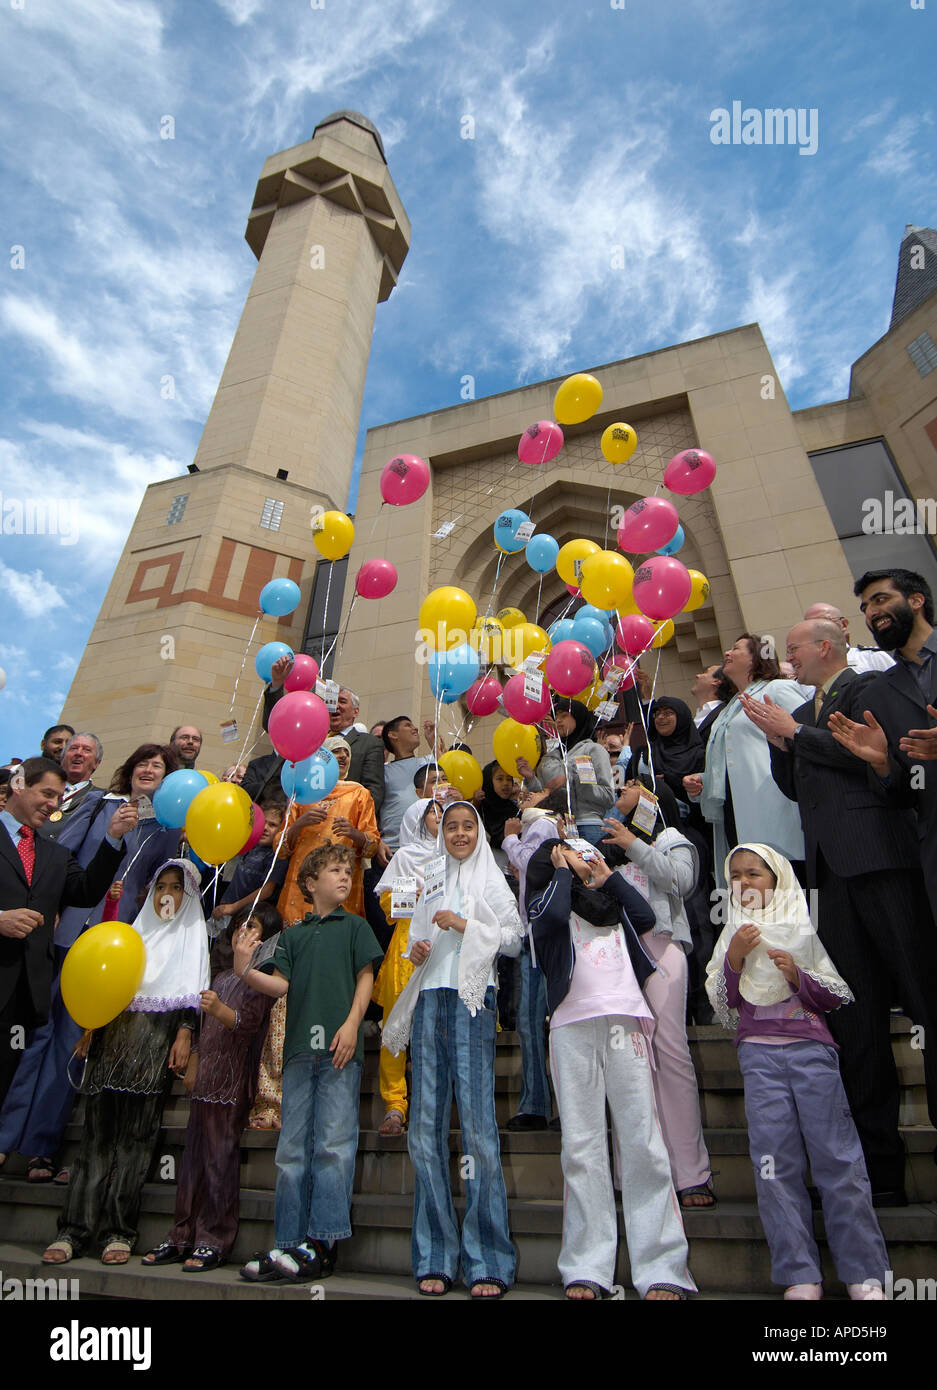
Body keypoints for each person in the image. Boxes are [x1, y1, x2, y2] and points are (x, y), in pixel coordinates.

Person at [742, 616, 937, 1201]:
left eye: (796, 648)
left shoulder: (868, 689)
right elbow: (797, 786)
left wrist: (795, 735)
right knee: (856, 1019)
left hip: (881, 864)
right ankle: (881, 1171)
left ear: (825, 646)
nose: (790, 659)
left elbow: (875, 762)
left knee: (924, 997)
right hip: (830, 877)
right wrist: (781, 740)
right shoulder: (799, 717)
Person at [706, 844, 887, 1301]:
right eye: (736, 876)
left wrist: (797, 977)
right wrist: (734, 959)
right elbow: (725, 1002)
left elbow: (833, 995)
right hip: (759, 1056)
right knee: (772, 1163)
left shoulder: (803, 926)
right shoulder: (732, 932)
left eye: (754, 874)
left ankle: (865, 1272)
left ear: (778, 879)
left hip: (811, 1052)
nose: (744, 884)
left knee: (839, 1160)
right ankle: (798, 1274)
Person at [526, 837, 695, 1300]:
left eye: (590, 850)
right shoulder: (546, 902)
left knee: (642, 1140)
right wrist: (561, 870)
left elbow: (646, 916)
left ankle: (662, 1265)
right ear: (559, 858)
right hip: (572, 1026)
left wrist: (610, 878)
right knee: (582, 1147)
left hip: (626, 1020)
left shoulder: (613, 903)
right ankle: (587, 1266)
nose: (587, 857)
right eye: (574, 850)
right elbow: (554, 920)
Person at [382, 802, 523, 1297]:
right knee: (424, 1130)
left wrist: (466, 926)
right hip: (427, 1001)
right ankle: (435, 1255)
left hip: (470, 1002)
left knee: (479, 1129)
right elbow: (416, 939)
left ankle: (489, 1258)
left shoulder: (490, 877)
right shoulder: (431, 878)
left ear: (478, 833)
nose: (459, 834)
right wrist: (416, 949)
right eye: (451, 827)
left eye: (467, 826)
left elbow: (513, 939)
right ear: (440, 834)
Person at [42, 859, 210, 1265]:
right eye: (160, 886)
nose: (166, 894)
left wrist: (186, 1033)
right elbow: (108, 981)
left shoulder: (192, 935)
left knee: (136, 1142)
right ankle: (73, 1230)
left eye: (175, 887)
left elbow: (193, 987)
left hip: (153, 1047)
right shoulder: (135, 935)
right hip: (110, 1044)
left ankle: (120, 1231)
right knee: (96, 1141)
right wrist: (90, 1027)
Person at [234, 843, 382, 1283]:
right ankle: (288, 1242)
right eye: (335, 871)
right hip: (300, 1052)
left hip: (339, 1051)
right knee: (292, 1150)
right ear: (310, 882)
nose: (345, 877)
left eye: (348, 872)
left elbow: (366, 977)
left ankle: (321, 1241)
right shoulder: (293, 935)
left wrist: (353, 1024)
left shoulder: (355, 927)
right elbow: (279, 986)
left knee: (334, 1146)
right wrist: (243, 968)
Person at [141, 906, 280, 1272]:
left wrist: (219, 1009)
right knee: (190, 1165)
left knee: (220, 1161)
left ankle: (213, 1238)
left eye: (253, 927)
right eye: (240, 925)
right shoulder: (219, 978)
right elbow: (204, 1029)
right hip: (206, 1081)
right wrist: (197, 1062)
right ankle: (180, 1234)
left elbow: (245, 1025)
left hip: (233, 1082)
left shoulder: (259, 978)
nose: (243, 931)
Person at [600, 776, 713, 1208]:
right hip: (619, 956)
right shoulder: (612, 841)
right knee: (629, 1063)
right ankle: (633, 1174)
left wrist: (633, 844)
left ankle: (690, 1173)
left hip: (663, 949)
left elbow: (680, 882)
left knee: (672, 1056)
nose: (622, 789)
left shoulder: (671, 838)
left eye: (631, 784)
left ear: (651, 796)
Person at [0, 758, 135, 1113]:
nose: (53, 803)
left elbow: (87, 891)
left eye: (58, 797)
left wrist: (113, 838)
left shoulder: (55, 854)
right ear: (18, 785)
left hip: (21, 999)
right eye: (46, 793)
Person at [682, 634, 812, 888]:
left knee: (791, 889)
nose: (727, 653)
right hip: (737, 811)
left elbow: (806, 735)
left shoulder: (776, 689)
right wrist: (705, 780)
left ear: (757, 657)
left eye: (736, 648)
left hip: (776, 807)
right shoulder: (731, 706)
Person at [371, 798, 444, 1136]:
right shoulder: (403, 857)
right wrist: (413, 892)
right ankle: (395, 1105)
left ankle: (433, 1102)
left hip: (443, 944)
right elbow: (388, 906)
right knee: (395, 1027)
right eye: (432, 812)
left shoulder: (453, 856)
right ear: (416, 819)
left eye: (442, 812)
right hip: (405, 946)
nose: (439, 817)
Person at [501, 790, 571, 1131]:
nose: (524, 796)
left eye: (533, 794)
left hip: (545, 938)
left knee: (547, 1022)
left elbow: (531, 862)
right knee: (531, 1022)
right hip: (534, 936)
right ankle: (540, 1103)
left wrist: (510, 838)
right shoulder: (538, 828)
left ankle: (553, 1104)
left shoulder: (541, 824)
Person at [276, 736, 379, 923]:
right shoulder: (302, 790)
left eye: (346, 753)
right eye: (335, 751)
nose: (342, 756)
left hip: (342, 876)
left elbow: (372, 845)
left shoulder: (359, 794)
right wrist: (299, 823)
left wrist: (354, 833)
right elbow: (279, 848)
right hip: (303, 877)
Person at [264, 666, 386, 814]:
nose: (336, 706)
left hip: (340, 821)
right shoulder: (311, 738)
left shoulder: (369, 744)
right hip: (301, 816)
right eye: (332, 701)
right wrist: (276, 685)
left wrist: (354, 820)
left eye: (342, 701)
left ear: (356, 711)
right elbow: (276, 725)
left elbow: (374, 790)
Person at [519, 698, 614, 847]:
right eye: (556, 717)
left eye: (564, 715)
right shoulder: (553, 755)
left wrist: (573, 779)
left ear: (578, 716)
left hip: (588, 826)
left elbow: (608, 797)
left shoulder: (593, 750)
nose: (558, 721)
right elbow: (547, 798)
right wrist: (531, 779)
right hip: (559, 828)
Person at [377, 716, 447, 861]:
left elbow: (446, 772)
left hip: (430, 848)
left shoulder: (427, 763)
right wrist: (377, 841)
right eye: (408, 725)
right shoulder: (383, 771)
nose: (415, 728)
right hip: (393, 850)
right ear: (392, 734)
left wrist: (432, 741)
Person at [38, 733, 104, 842]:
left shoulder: (102, 799)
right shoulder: (40, 786)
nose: (78, 753)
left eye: (86, 750)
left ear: (97, 763)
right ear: (62, 757)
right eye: (73, 748)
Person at [803, 601, 894, 674]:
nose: (819, 628)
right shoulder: (806, 673)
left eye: (825, 621)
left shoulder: (872, 658)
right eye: (811, 625)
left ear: (844, 624)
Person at [477, 761, 521, 872]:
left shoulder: (516, 810)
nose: (506, 784)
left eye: (509, 779)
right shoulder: (479, 809)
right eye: (500, 779)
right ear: (488, 781)